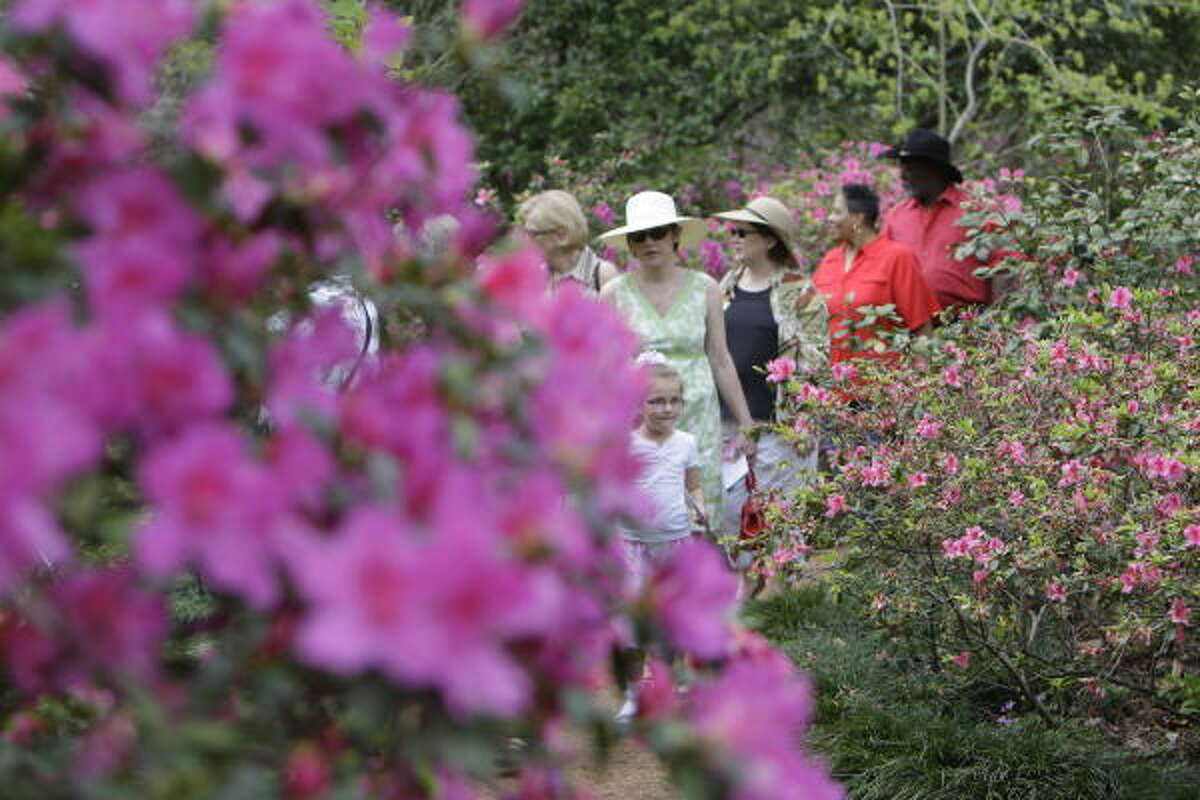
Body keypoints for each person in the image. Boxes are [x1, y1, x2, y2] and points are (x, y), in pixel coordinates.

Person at [599, 191, 756, 529]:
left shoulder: (706, 289)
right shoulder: (614, 294)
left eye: (658, 233)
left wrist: (745, 423)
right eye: (639, 236)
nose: (649, 242)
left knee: (699, 511)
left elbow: (720, 358)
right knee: (644, 512)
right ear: (630, 243)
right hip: (639, 420)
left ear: (675, 235)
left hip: (697, 414)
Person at [711, 196, 827, 536]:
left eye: (743, 232)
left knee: (780, 519)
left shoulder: (800, 292)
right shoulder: (725, 287)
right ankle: (746, 588)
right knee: (733, 519)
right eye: (732, 231)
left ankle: (781, 589)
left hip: (780, 425)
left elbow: (819, 359)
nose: (734, 238)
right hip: (729, 421)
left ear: (770, 239)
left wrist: (803, 421)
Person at [616, 352, 705, 722]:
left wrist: (700, 507)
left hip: (675, 544)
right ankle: (633, 693)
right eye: (657, 401)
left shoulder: (686, 443)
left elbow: (694, 487)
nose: (667, 409)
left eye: (674, 401)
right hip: (632, 546)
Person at [880, 127, 1008, 310]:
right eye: (902, 168)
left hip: (966, 327)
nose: (902, 176)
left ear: (934, 169)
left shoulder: (978, 211)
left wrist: (998, 323)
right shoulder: (896, 216)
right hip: (908, 330)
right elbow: (882, 270)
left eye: (909, 168)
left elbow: (1004, 267)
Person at [812, 183, 939, 366]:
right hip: (833, 387)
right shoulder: (829, 261)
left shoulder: (897, 258)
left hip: (881, 387)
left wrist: (919, 382)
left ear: (858, 218)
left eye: (837, 212)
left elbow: (921, 328)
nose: (830, 218)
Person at [517, 189, 618, 293]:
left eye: (532, 234)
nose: (525, 240)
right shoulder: (537, 276)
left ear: (561, 236)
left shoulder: (602, 274)